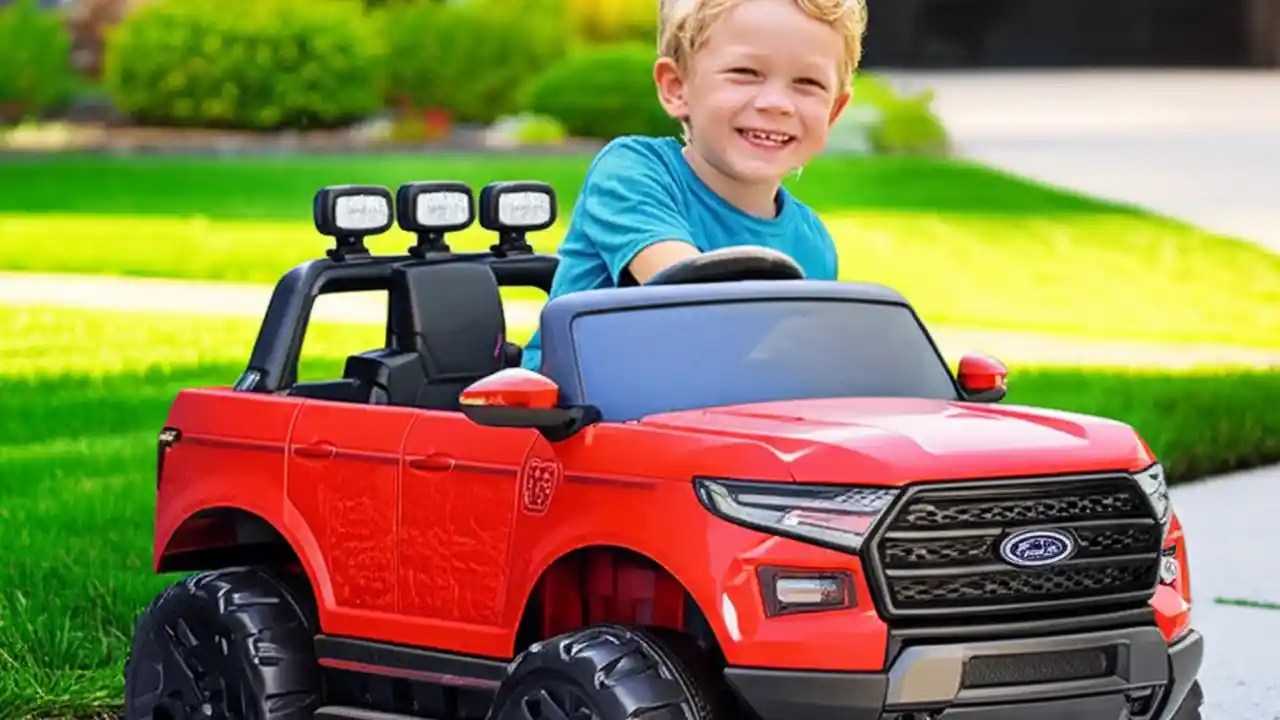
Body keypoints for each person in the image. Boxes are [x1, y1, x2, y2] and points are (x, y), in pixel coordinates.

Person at [521, 0, 868, 371]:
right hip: (573, 416)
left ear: (833, 111)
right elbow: (690, 300)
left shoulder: (813, 242)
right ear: (676, 88)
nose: (776, 103)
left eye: (808, 83)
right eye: (746, 72)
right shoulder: (632, 173)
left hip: (718, 420)